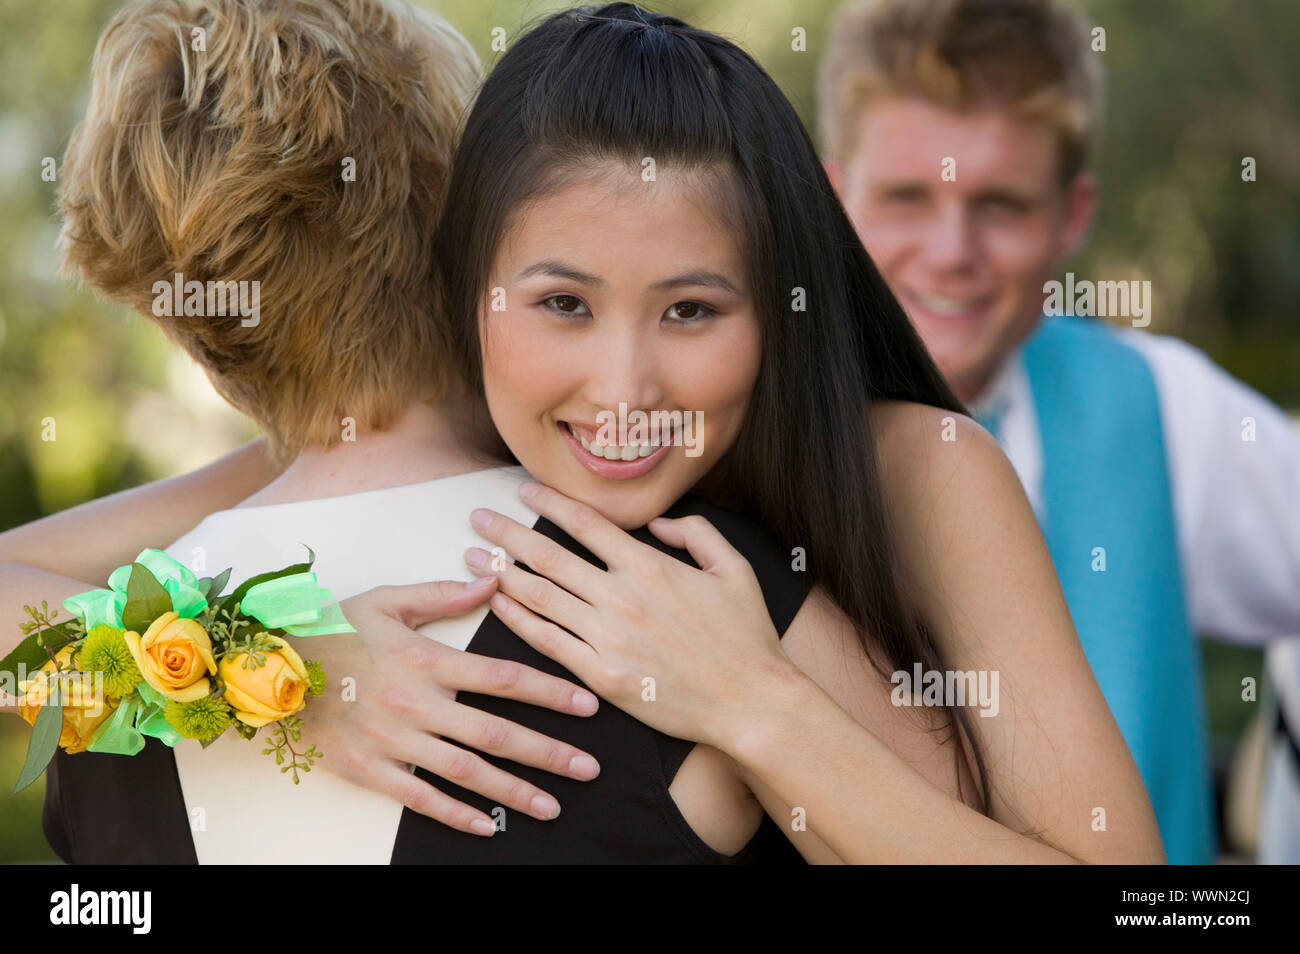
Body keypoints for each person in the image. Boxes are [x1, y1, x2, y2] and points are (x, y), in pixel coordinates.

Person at [4, 1, 1163, 863]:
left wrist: (751, 702)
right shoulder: (477, 452)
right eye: (562, 303)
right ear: (464, 283)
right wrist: (281, 666)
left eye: (693, 310)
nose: (623, 388)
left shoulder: (910, 473)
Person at [816, 0, 1300, 863]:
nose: (951, 250)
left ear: (1073, 214)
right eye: (906, 197)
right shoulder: (740, 415)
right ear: (831, 193)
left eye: (1000, 205)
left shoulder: (1161, 406)